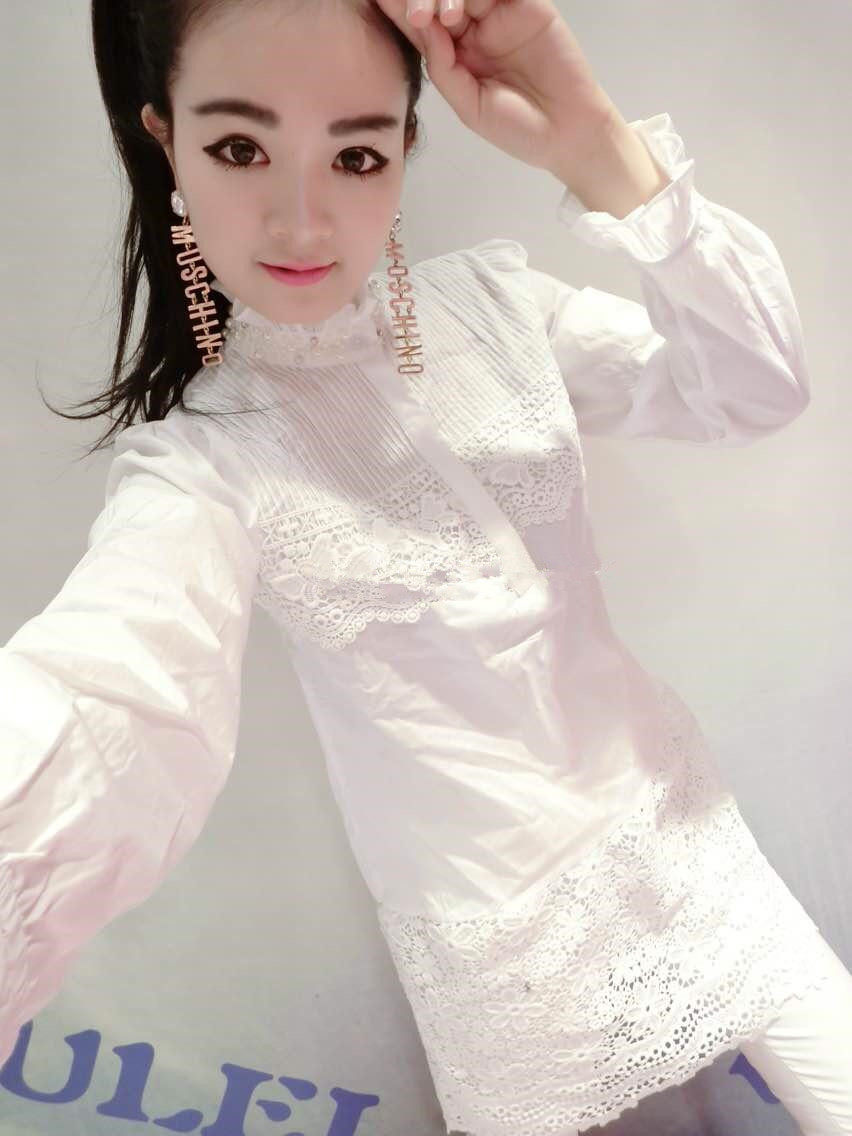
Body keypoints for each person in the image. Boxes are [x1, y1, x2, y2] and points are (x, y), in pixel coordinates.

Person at [2, 1, 850, 1133]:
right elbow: (111, 692)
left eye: (356, 154)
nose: (303, 218)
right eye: (241, 147)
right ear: (167, 140)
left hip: (685, 839)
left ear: (406, 145)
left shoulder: (498, 311)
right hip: (503, 955)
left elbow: (753, 386)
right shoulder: (204, 462)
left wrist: (591, 139)